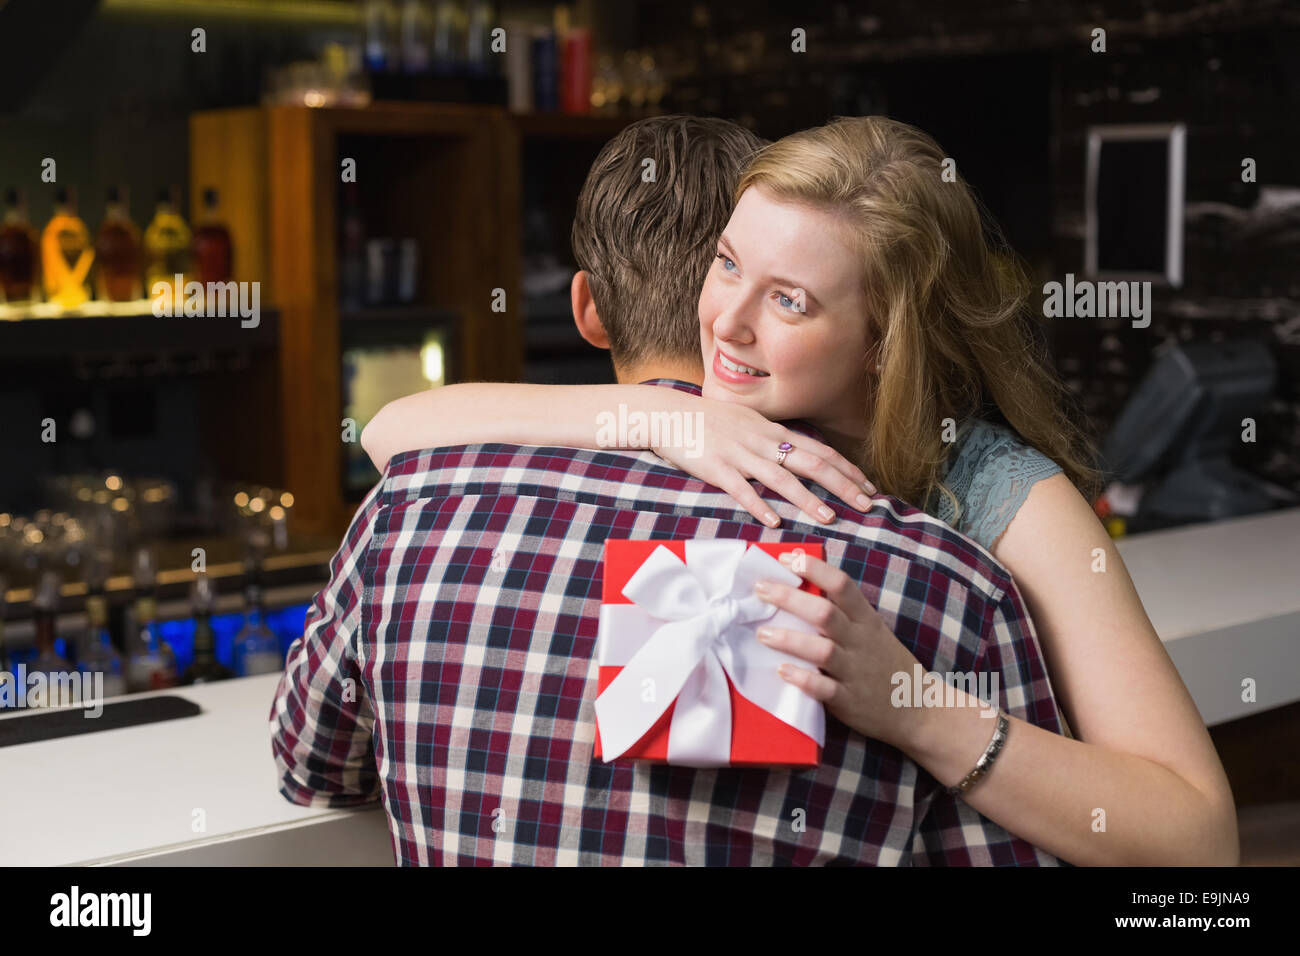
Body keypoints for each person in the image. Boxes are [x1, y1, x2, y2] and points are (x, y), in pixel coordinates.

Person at [358, 115, 1239, 866]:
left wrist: (913, 706)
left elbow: (1196, 835)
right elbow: (392, 429)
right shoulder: (707, 420)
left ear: (884, 341)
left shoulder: (1007, 497)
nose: (726, 320)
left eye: (789, 301)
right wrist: (657, 417)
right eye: (727, 262)